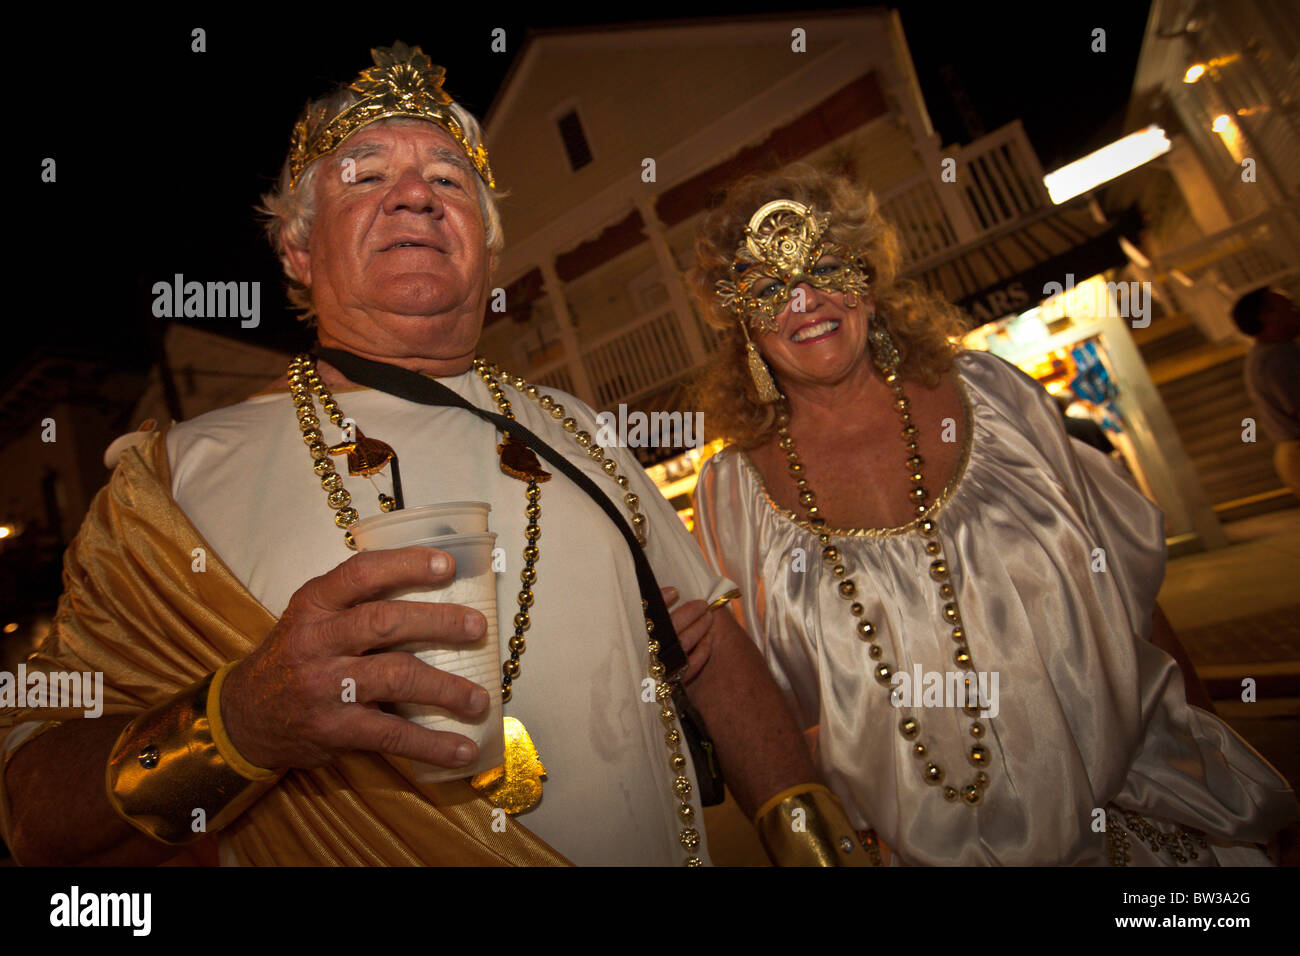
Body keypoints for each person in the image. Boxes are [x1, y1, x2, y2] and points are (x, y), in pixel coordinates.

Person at [0, 45, 867, 867]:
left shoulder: (573, 427)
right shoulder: (177, 479)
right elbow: (33, 805)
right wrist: (238, 723)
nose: (415, 197)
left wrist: (812, 833)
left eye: (448, 180)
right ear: (297, 249)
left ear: (486, 249)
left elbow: (712, 648)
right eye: (366, 176)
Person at [685, 164, 1299, 865]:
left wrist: (1225, 768)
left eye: (825, 266)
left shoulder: (996, 400)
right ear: (741, 320)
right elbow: (763, 712)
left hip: (1146, 824)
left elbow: (1134, 601)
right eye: (769, 287)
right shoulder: (732, 498)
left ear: (868, 279)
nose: (806, 299)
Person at [1231, 287, 1300, 497]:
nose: (1296, 311)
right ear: (1268, 317)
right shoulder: (1276, 358)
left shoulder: (1269, 355)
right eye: (1289, 306)